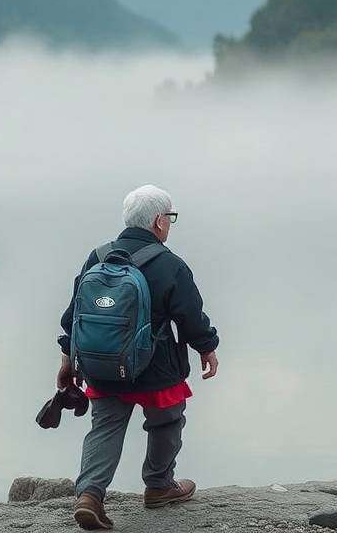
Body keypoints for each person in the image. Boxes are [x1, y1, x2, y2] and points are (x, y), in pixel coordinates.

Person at [56, 184, 220, 530]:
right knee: (167, 420)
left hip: (102, 366)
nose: (170, 225)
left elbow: (75, 314)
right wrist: (207, 346)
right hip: (155, 370)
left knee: (105, 428)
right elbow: (190, 316)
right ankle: (159, 485)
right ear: (159, 222)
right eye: (170, 218)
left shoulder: (98, 257)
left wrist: (67, 361)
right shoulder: (170, 264)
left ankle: (89, 495)